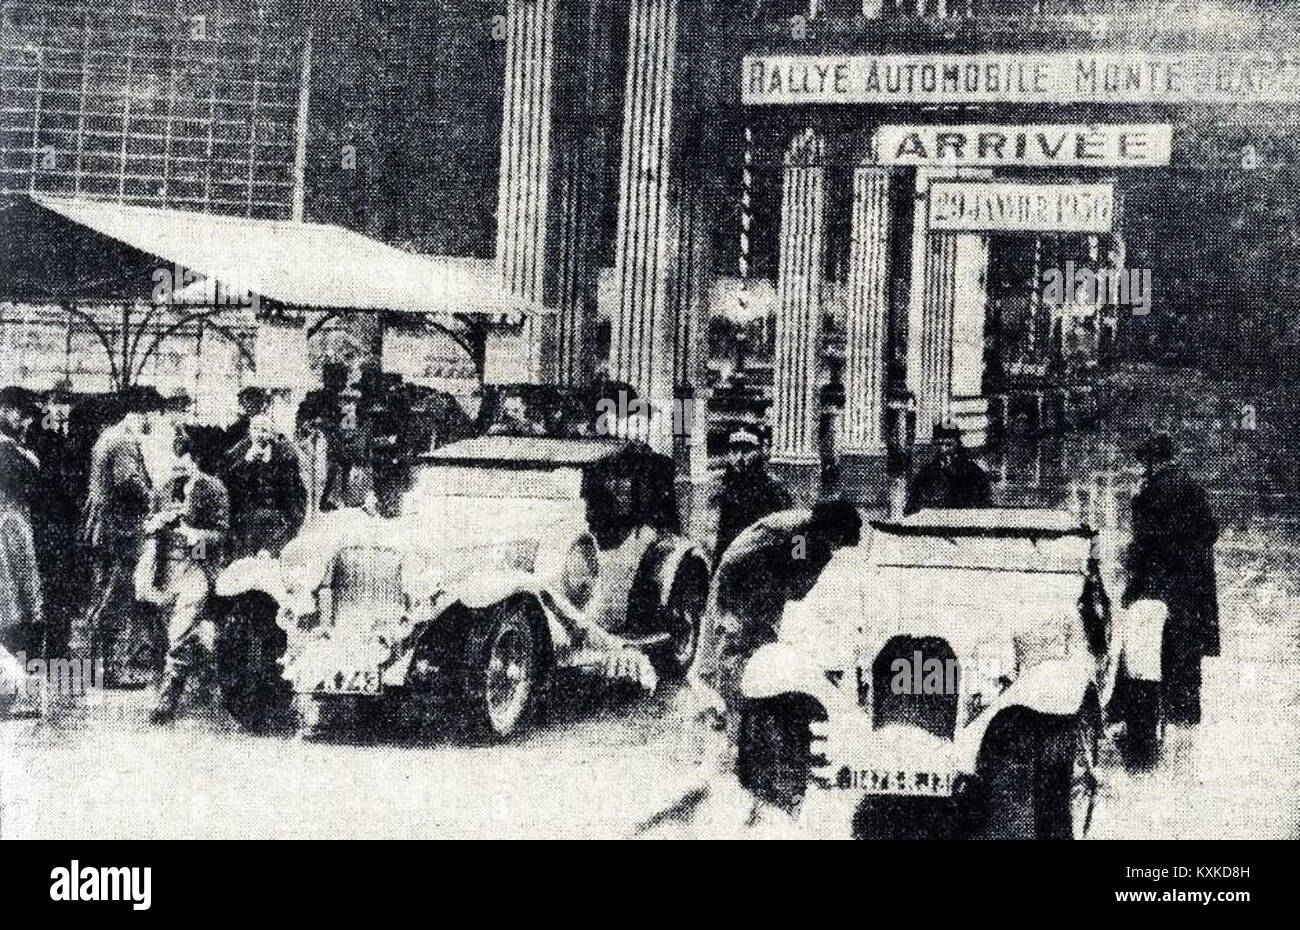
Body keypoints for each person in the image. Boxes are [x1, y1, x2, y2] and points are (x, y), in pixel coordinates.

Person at [690, 500, 863, 731]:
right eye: (837, 540)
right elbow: (791, 573)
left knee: (760, 646)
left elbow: (798, 583)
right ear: (829, 527)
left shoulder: (811, 535)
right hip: (740, 581)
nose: (836, 546)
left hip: (763, 583)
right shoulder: (799, 535)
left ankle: (748, 707)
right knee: (735, 644)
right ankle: (727, 709)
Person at [71, 386, 164, 687]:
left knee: (103, 597)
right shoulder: (124, 441)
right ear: (141, 412)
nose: (156, 420)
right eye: (155, 413)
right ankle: (111, 672)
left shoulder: (109, 436)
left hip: (103, 529)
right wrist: (154, 502)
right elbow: (128, 483)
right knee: (116, 599)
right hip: (117, 532)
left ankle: (95, 669)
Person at [1125, 433, 1220, 725]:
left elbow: (1142, 544)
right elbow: (1211, 532)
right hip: (1193, 588)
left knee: (1150, 658)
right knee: (1186, 658)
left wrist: (1132, 586)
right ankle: (1186, 726)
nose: (1141, 467)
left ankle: (1148, 736)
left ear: (1153, 462)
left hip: (1159, 587)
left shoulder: (1150, 494)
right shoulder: (1193, 487)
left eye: (1143, 462)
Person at [143, 425, 230, 723]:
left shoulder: (213, 488)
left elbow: (221, 533)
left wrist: (195, 538)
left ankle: (167, 699)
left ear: (196, 459)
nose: (179, 464)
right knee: (172, 632)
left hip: (196, 566)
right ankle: (202, 678)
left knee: (180, 631)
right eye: (176, 457)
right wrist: (155, 524)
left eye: (185, 459)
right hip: (165, 569)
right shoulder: (164, 488)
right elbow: (149, 523)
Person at [1, 387, 43, 715]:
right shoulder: (6, 450)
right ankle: (11, 695)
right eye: (23, 414)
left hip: (13, 531)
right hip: (8, 533)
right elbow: (31, 480)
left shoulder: (12, 448)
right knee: (11, 612)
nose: (27, 421)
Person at [221, 413, 307, 559]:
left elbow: (295, 507)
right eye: (256, 429)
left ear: (272, 434)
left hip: (275, 527)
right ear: (249, 431)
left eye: (264, 430)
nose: (260, 434)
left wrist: (273, 547)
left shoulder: (285, 459)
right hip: (243, 527)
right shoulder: (235, 456)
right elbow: (227, 492)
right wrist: (245, 464)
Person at [714, 429, 792, 557]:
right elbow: (723, 536)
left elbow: (793, 531)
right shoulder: (729, 490)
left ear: (758, 452)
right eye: (734, 452)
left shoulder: (774, 488)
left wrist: (798, 560)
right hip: (736, 559)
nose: (739, 458)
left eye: (746, 451)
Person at [904, 422, 992, 515]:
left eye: (948, 445)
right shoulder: (926, 474)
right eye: (939, 444)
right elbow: (912, 507)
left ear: (958, 445)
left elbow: (982, 505)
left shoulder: (973, 472)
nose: (943, 450)